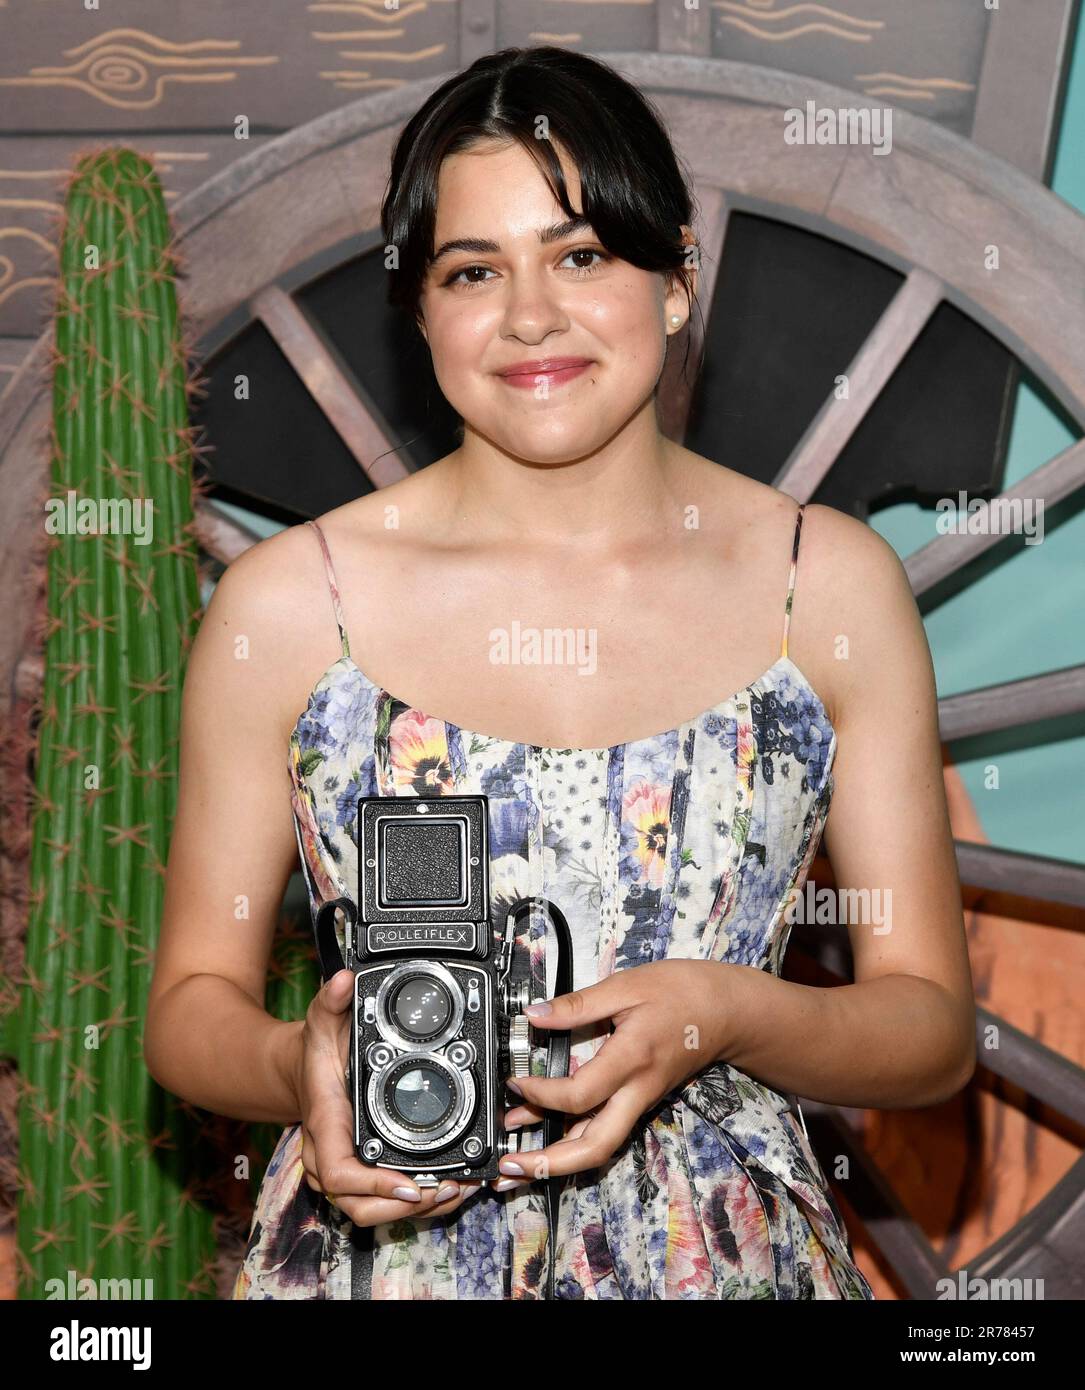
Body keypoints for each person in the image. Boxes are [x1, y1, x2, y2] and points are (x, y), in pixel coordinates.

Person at [145, 45, 975, 1300]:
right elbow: (189, 1004)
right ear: (419, 312)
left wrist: (721, 1011)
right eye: (472, 271)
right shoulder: (287, 610)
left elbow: (927, 1027)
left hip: (725, 1265)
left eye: (580, 255)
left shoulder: (831, 588)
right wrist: (292, 1067)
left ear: (676, 278)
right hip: (387, 1255)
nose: (530, 315)